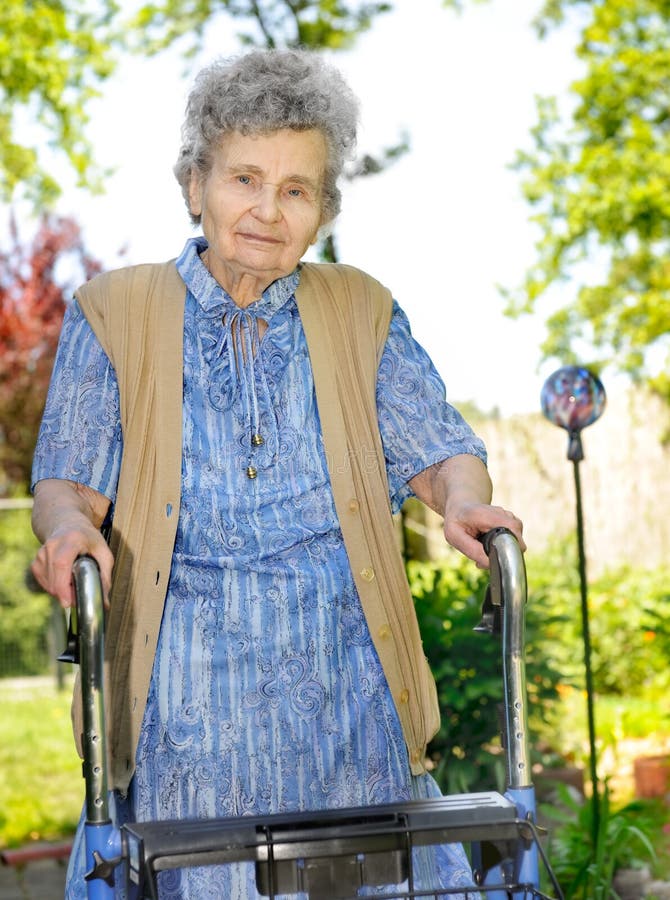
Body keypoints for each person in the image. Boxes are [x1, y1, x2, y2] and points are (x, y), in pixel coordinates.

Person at [31, 49, 524, 899]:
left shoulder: (360, 307)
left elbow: (438, 448)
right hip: (185, 728)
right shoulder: (113, 310)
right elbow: (67, 480)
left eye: (297, 190)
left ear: (323, 209)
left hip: (350, 712)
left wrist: (464, 501)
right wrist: (68, 530)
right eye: (243, 179)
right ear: (194, 183)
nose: (267, 210)